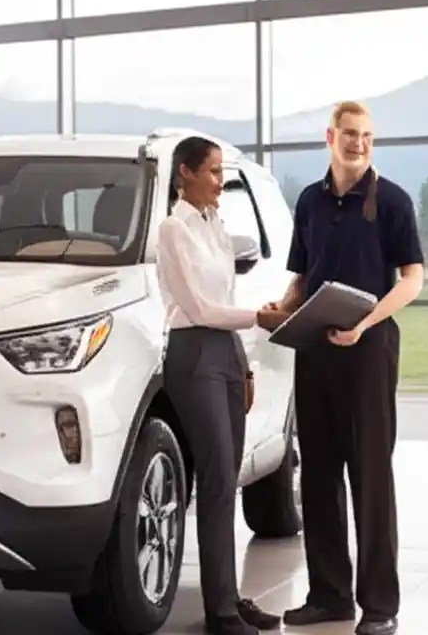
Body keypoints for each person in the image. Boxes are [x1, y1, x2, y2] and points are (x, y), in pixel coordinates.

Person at [268, 101, 423, 635]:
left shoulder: (394, 201)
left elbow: (412, 280)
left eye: (368, 136)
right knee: (318, 475)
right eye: (351, 134)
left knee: (370, 478)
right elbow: (302, 276)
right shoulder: (310, 201)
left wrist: (364, 322)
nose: (359, 143)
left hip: (368, 352)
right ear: (330, 137)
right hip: (314, 353)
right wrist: (282, 308)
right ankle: (329, 596)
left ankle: (380, 606)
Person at [156, 136, 288, 635]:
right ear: (185, 173)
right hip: (195, 354)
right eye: (212, 171)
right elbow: (201, 310)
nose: (220, 180)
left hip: (228, 353)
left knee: (227, 480)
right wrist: (260, 317)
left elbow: (225, 296)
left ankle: (229, 595)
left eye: (221, 172)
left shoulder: (216, 223)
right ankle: (221, 612)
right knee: (214, 481)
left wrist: (245, 361)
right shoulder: (173, 230)